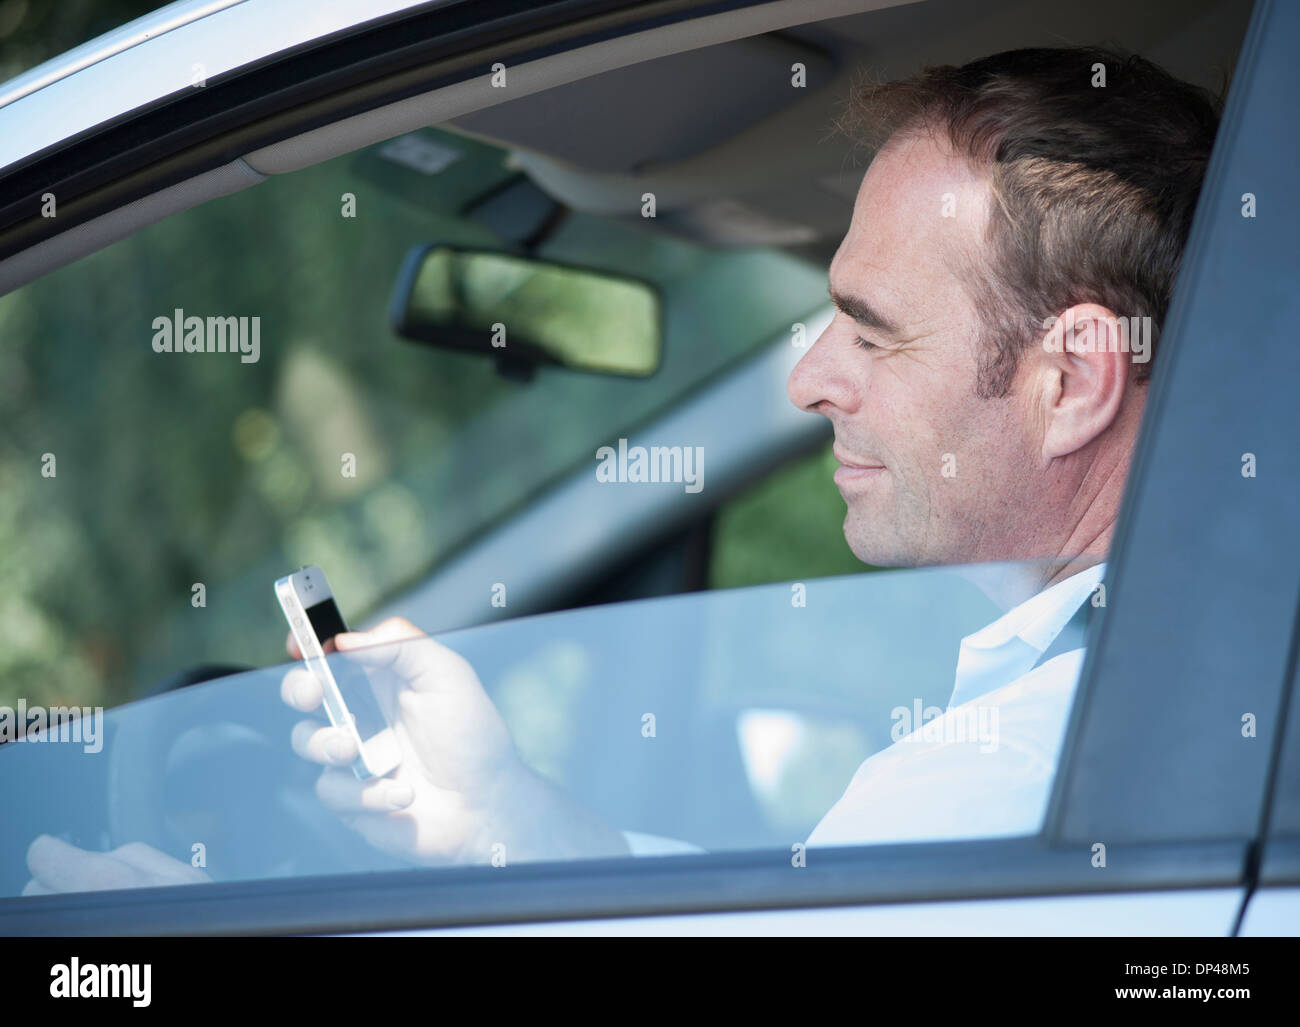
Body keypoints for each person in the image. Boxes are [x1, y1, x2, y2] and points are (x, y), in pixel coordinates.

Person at [24, 45, 1220, 889]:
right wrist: (504, 815)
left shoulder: (1022, 775)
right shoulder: (1137, 710)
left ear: (1070, 382)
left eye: (872, 327)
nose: (810, 381)